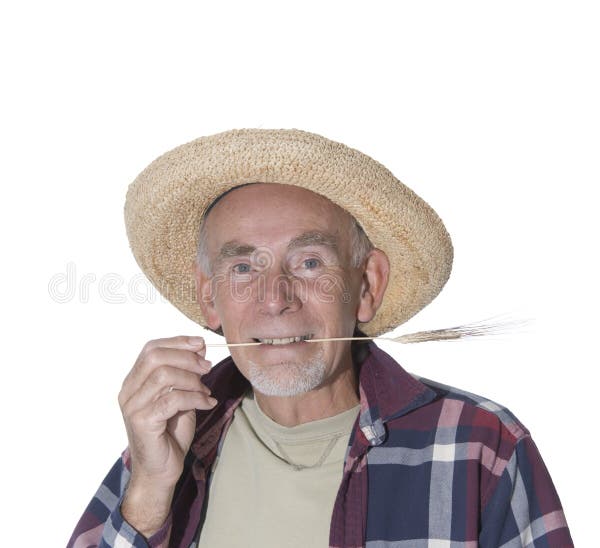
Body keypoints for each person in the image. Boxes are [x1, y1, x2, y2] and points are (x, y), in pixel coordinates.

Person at [66, 129, 572, 547]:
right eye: (243, 267)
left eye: (309, 262)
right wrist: (151, 491)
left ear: (366, 286)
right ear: (209, 298)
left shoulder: (482, 444)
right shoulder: (168, 446)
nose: (275, 298)